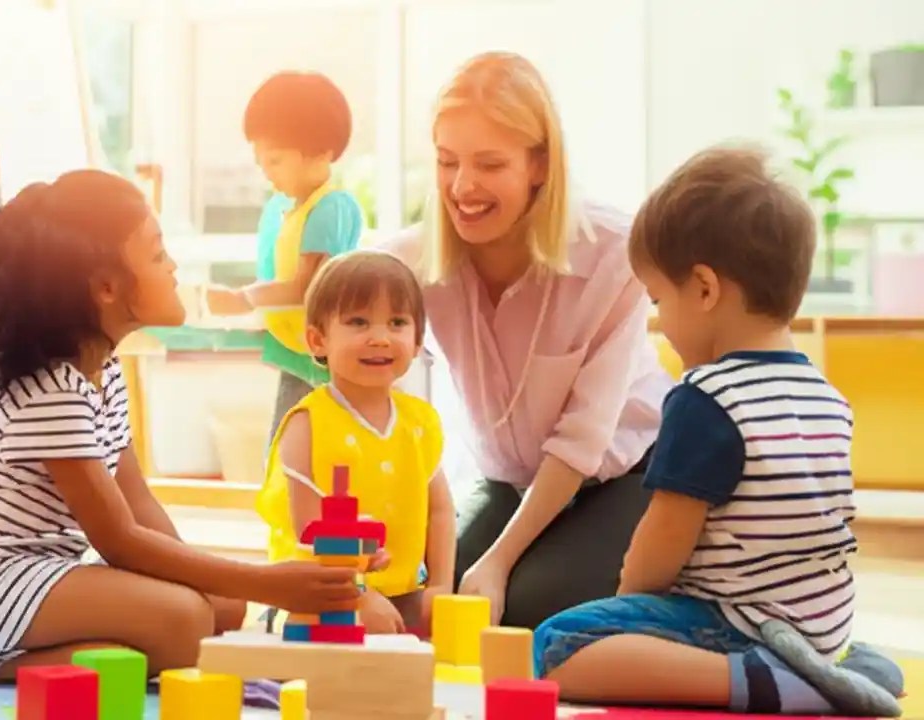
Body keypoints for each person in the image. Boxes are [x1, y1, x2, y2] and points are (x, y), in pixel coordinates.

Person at [0, 169, 363, 682]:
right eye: (157, 254)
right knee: (186, 621)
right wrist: (264, 582)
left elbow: (139, 506)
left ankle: (99, 653)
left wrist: (220, 588)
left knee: (222, 607)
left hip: (36, 575)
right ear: (106, 287)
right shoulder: (51, 391)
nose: (173, 267)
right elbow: (118, 539)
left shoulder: (103, 372)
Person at [532, 145, 904, 718]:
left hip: (741, 625)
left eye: (659, 300)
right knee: (834, 650)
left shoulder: (706, 397)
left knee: (558, 642)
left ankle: (766, 684)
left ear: (704, 289)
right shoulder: (827, 397)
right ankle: (838, 671)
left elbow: (664, 540)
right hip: (825, 624)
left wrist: (628, 608)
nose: (659, 321)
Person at [381, 51, 672, 627]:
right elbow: (344, 311)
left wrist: (498, 561)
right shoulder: (409, 263)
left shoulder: (615, 253)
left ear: (539, 164)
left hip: (623, 475)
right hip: (509, 482)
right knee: (427, 603)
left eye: (489, 164)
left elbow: (582, 441)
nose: (462, 186)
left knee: (525, 608)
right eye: (446, 161)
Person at [256, 249, 456, 634]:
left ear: (417, 342)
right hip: (319, 592)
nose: (380, 338)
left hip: (402, 591)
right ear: (317, 340)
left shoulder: (419, 422)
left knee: (464, 630)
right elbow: (309, 533)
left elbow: (440, 511)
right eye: (358, 322)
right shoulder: (308, 423)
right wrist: (359, 593)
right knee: (372, 634)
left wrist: (440, 586)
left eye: (397, 323)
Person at [203, 70, 365, 445]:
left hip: (322, 361)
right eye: (261, 164)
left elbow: (305, 287)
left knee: (307, 453)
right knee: (286, 449)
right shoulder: (287, 206)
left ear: (321, 153)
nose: (267, 174)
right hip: (299, 351)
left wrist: (244, 298)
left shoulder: (329, 209)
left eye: (275, 162)